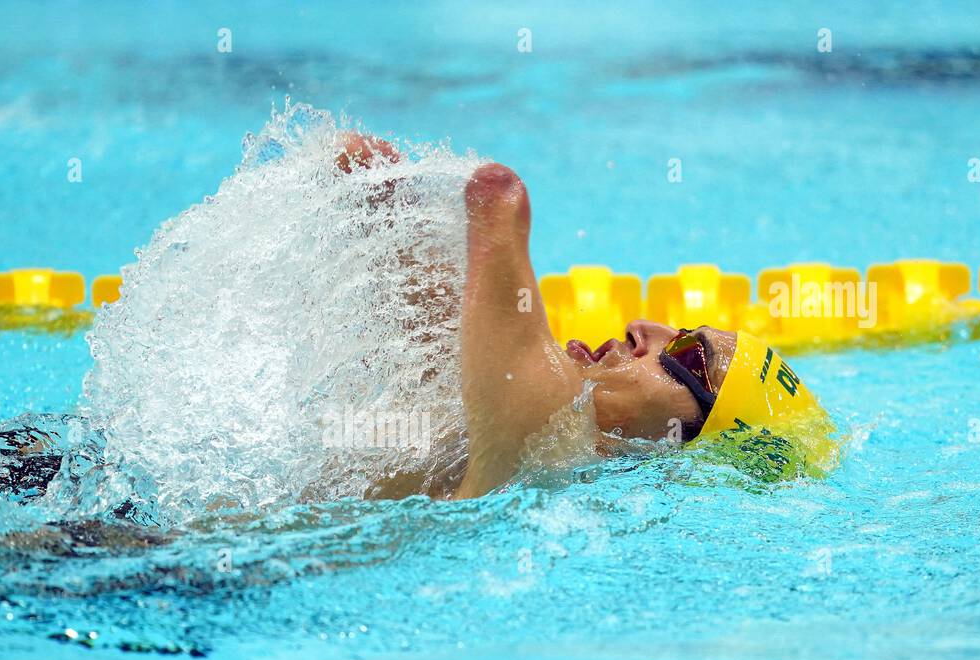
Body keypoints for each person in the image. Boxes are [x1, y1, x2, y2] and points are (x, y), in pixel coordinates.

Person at [335, 133, 835, 498]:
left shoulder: (548, 456)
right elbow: (436, 332)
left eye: (686, 355)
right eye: (679, 333)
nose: (642, 328)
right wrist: (381, 205)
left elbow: (496, 195)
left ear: (688, 446)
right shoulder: (527, 451)